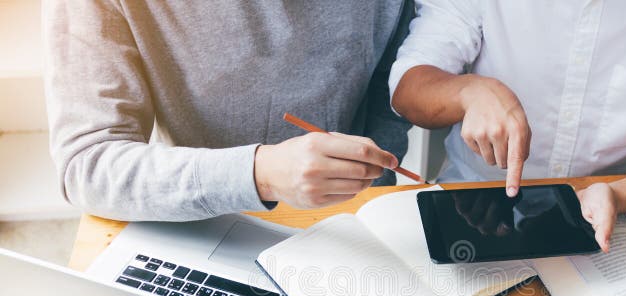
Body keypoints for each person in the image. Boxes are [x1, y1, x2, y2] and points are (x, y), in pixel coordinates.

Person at [390, 1, 626, 251]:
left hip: (616, 222)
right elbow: (408, 86)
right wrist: (466, 91)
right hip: (472, 205)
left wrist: (620, 195)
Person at [44, 1, 413, 221]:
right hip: (191, 216)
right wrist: (260, 174)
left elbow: (392, 96)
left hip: (350, 221)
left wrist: (368, 183)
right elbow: (86, 164)